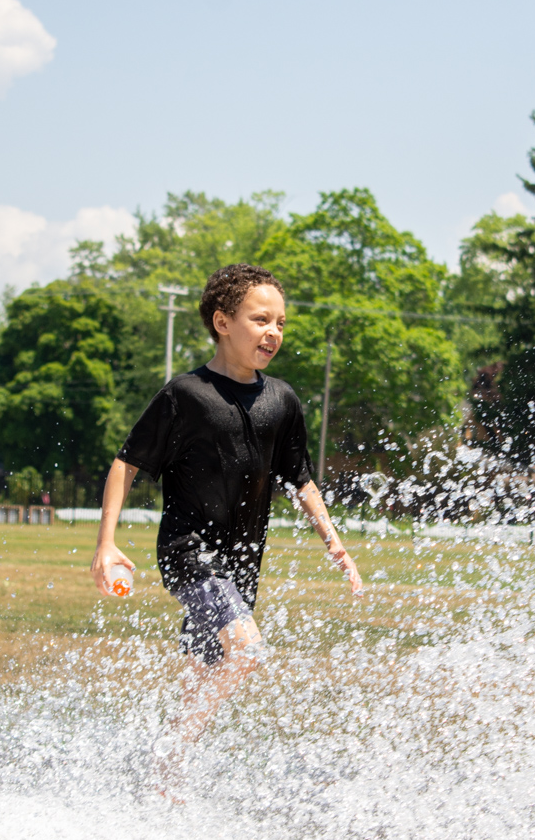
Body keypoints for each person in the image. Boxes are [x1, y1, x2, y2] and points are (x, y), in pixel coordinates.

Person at [89, 263, 361, 797]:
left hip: (242, 562)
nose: (274, 332)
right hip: (190, 553)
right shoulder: (185, 395)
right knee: (247, 651)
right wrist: (107, 543)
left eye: (281, 322)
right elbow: (126, 462)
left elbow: (300, 478)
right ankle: (168, 754)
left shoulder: (282, 401)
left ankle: (162, 780)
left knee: (202, 672)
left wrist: (333, 538)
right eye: (261, 319)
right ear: (222, 321)